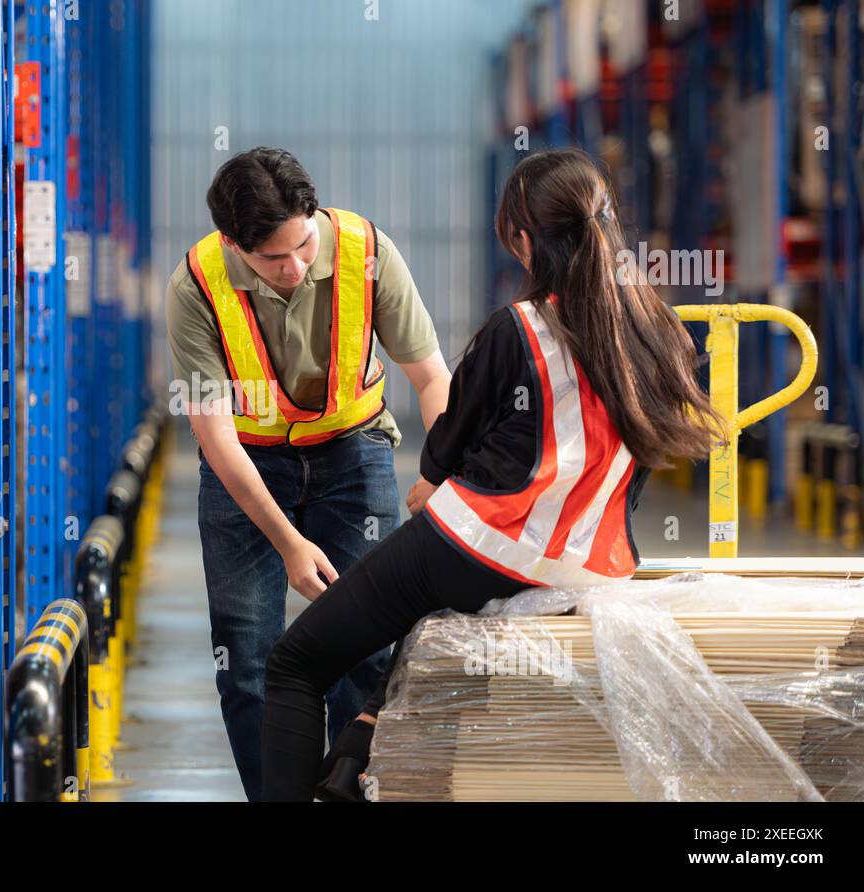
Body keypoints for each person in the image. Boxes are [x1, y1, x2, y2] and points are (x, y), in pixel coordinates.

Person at [259, 147, 726, 802]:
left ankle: (337, 766)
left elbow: (442, 449)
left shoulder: (519, 329)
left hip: (486, 543)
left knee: (297, 663)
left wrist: (437, 486)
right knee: (416, 624)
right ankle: (352, 756)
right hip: (594, 564)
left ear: (524, 238)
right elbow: (638, 464)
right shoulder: (660, 328)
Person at [165, 147, 451, 801]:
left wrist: (442, 470)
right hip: (246, 463)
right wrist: (288, 543)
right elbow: (213, 434)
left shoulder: (365, 252)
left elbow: (432, 376)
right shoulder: (196, 287)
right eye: (274, 258)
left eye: (303, 244)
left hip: (354, 452)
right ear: (234, 244)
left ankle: (353, 793)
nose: (295, 266)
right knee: (246, 657)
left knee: (367, 648)